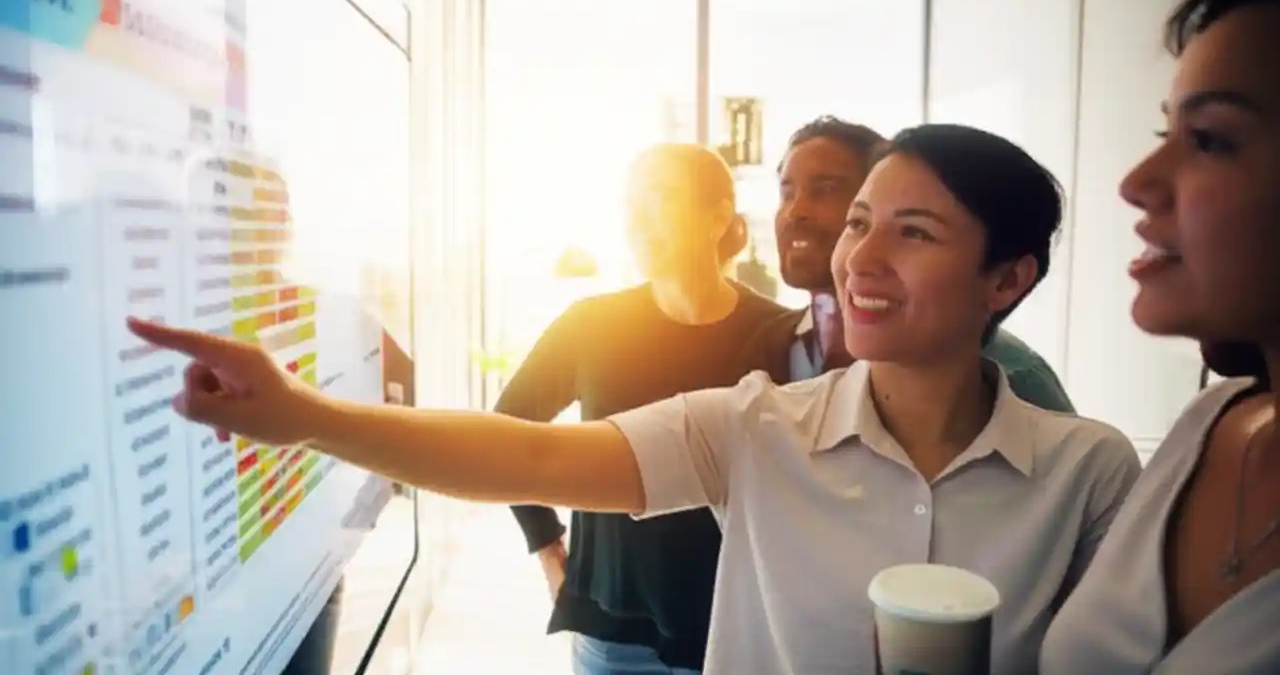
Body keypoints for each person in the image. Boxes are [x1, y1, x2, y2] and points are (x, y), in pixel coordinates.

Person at [125, 123, 1141, 675]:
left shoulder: (1087, 471)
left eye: (912, 232)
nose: (858, 256)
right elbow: (520, 454)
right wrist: (307, 415)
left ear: (1005, 279)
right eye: (858, 222)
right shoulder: (750, 425)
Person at [1041, 0, 1280, 672]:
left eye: (1208, 138)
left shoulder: (1083, 455)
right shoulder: (1208, 425)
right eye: (1163, 131)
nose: (1136, 182)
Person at [497, 144, 787, 674]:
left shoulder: (776, 335)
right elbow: (507, 430)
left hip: (734, 628)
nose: (637, 218)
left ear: (718, 215)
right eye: (630, 203)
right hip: (611, 630)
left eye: (658, 197)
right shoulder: (590, 326)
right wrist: (548, 550)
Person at [748, 116, 1074, 412]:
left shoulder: (1016, 380)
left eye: (826, 189)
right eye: (787, 193)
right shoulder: (763, 346)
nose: (795, 212)